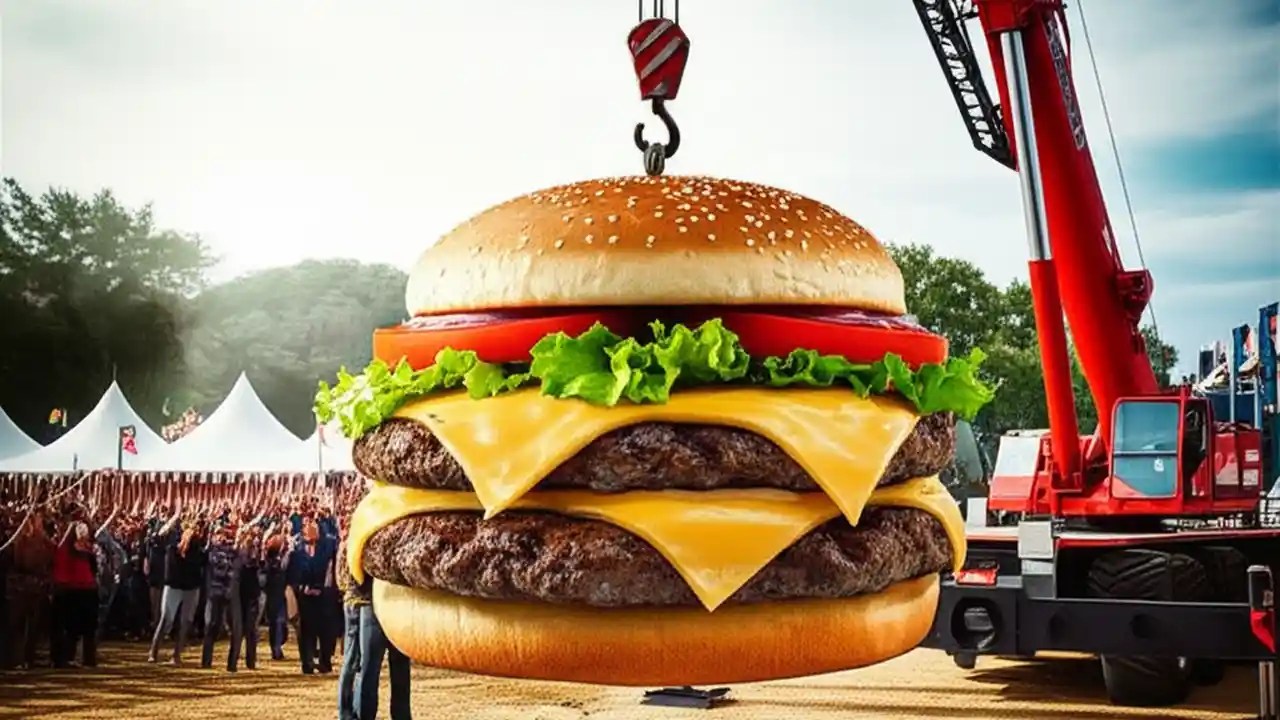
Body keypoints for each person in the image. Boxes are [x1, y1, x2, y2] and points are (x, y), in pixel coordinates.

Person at [148, 518, 206, 666]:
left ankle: (176, 655)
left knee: (185, 622)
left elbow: (202, 559)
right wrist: (174, 518)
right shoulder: (172, 548)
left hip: (191, 587)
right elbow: (158, 537)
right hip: (174, 586)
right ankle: (154, 652)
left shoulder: (196, 550)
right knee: (166, 619)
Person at [3, 509, 54, 669]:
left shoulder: (43, 542)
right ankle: (14, 658)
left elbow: (50, 557)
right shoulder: (16, 541)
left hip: (35, 588)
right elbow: (19, 561)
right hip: (19, 588)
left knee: (32, 625)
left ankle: (27, 658)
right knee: (16, 625)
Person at [286, 515, 337, 674]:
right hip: (304, 597)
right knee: (306, 632)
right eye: (308, 528)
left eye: (315, 528)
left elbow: (331, 569)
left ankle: (325, 662)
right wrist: (302, 589)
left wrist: (326, 589)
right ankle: (307, 663)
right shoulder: (296, 552)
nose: (312, 531)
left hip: (323, 596)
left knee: (326, 630)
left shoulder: (327, 548)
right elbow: (291, 576)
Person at [51, 520, 99, 668]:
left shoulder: (88, 551)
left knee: (89, 628)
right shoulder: (66, 550)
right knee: (72, 627)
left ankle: (89, 658)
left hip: (88, 590)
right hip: (73, 591)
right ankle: (69, 657)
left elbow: (94, 569)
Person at [201, 522, 246, 671]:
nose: (222, 537)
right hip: (216, 593)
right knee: (211, 626)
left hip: (231, 594)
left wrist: (237, 545)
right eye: (219, 534)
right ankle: (206, 661)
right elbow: (222, 567)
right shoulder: (213, 552)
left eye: (225, 534)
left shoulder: (234, 551)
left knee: (236, 630)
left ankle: (232, 664)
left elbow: (240, 564)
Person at [336, 528, 361, 720]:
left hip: (349, 600)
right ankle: (345, 709)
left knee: (355, 659)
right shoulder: (352, 547)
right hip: (356, 603)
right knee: (352, 659)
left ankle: (352, 707)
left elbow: (340, 580)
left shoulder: (343, 547)